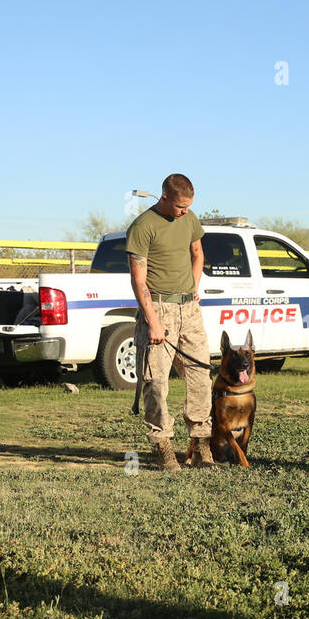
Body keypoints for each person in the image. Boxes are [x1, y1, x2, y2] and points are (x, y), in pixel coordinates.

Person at [126, 173, 214, 471]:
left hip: (188, 309)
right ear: (164, 198)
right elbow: (138, 279)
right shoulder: (143, 226)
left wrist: (193, 287)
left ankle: (202, 446)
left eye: (188, 206)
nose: (184, 212)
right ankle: (163, 447)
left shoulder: (189, 219)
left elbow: (198, 252)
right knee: (156, 382)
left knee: (201, 375)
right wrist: (152, 321)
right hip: (158, 309)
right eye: (179, 207)